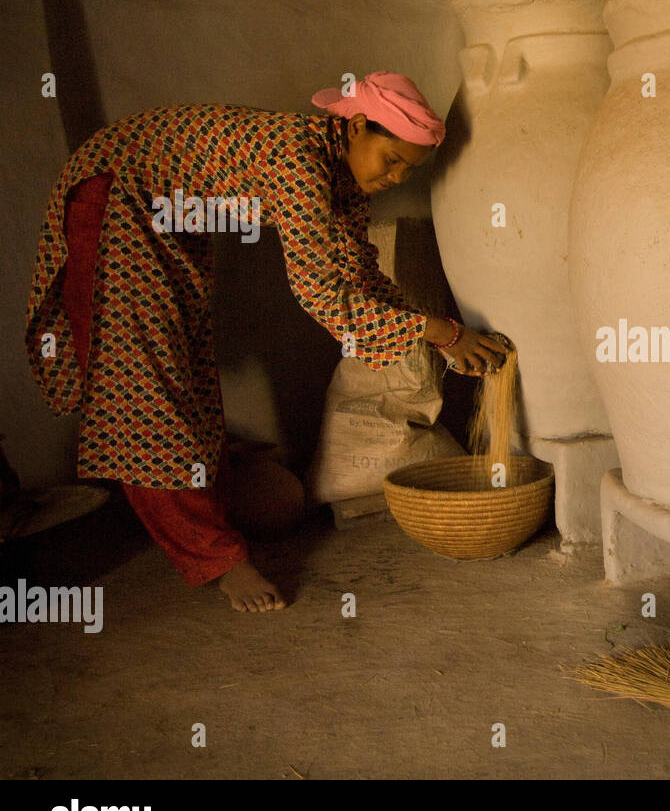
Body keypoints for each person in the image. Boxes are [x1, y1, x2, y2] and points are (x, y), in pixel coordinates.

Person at [25, 71, 507, 613]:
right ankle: (220, 561)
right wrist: (435, 332)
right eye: (391, 159)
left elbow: (358, 277)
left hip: (167, 219)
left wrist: (445, 332)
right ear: (353, 128)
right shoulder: (298, 162)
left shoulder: (341, 180)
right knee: (143, 391)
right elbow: (321, 292)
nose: (396, 176)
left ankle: (195, 509)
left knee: (186, 376)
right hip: (117, 199)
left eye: (408, 170)